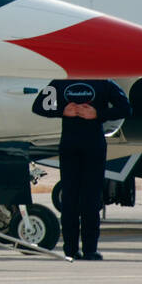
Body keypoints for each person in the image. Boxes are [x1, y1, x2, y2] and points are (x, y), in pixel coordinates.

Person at [31, 79, 131, 260]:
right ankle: (70, 250)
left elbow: (125, 108)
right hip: (70, 146)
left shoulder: (104, 82)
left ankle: (90, 249)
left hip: (93, 146)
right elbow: (38, 107)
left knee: (91, 199)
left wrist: (97, 114)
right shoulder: (60, 82)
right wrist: (62, 111)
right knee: (70, 199)